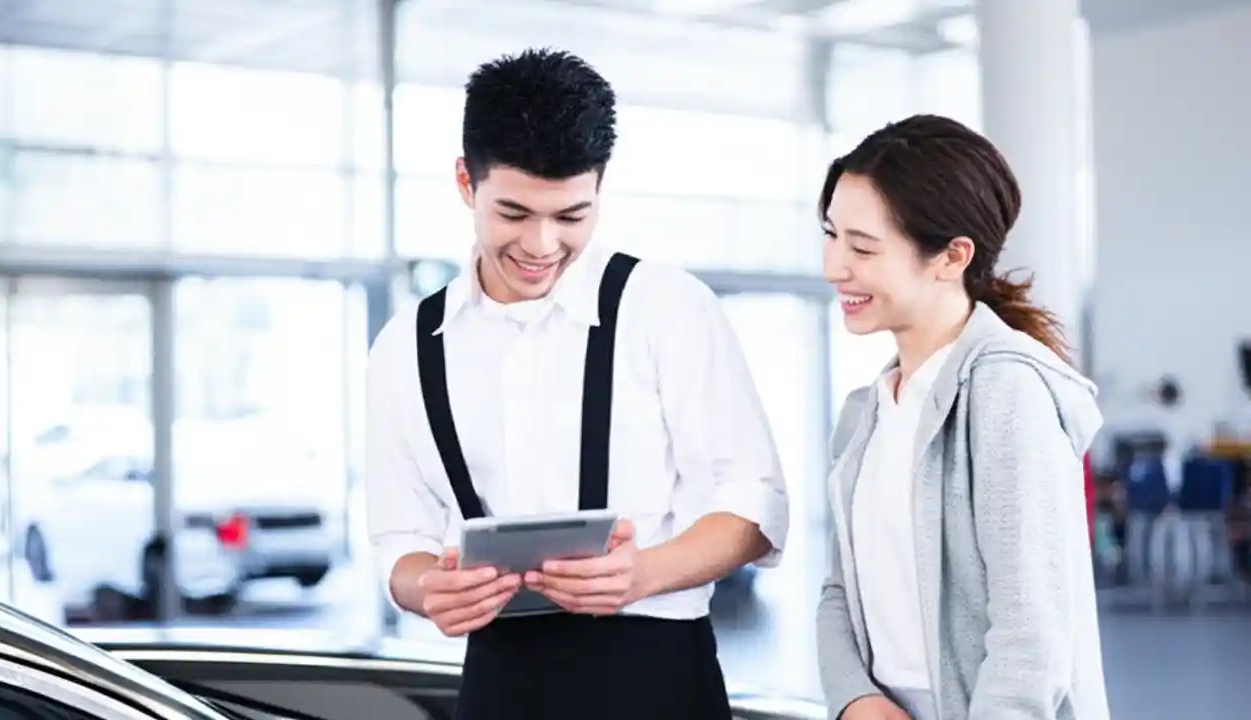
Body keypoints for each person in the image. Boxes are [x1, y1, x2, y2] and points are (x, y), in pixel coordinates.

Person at [364, 48, 789, 720]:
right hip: (497, 686)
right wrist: (426, 590)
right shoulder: (406, 347)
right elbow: (399, 539)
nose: (540, 245)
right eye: (513, 213)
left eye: (570, 216)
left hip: (659, 680)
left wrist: (643, 573)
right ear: (464, 183)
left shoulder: (668, 307)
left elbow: (756, 506)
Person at [815, 115, 1110, 720]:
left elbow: (1031, 634)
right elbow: (839, 590)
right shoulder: (863, 413)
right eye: (831, 235)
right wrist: (856, 700)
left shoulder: (1007, 392)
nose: (834, 266)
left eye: (863, 246)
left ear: (952, 256)